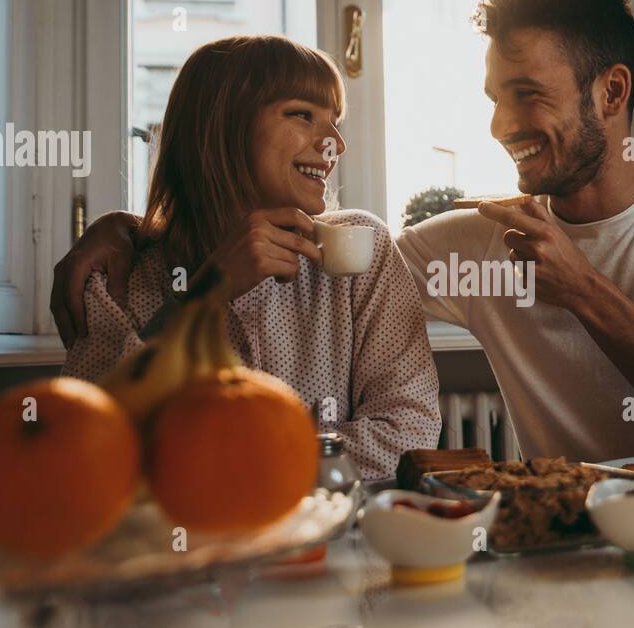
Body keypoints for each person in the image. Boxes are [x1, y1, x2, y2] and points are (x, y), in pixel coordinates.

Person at [54, 0, 634, 463]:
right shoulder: (468, 241)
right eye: (494, 96)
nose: (500, 125)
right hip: (560, 537)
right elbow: (82, 438)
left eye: (526, 94)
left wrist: (583, 288)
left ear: (611, 91)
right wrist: (125, 229)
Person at [59, 35, 440, 479]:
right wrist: (202, 297)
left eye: (335, 121)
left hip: (330, 543)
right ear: (220, 126)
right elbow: (88, 450)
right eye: (302, 114)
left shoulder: (360, 250)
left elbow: (407, 432)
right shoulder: (115, 274)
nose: (336, 143)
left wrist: (229, 470)